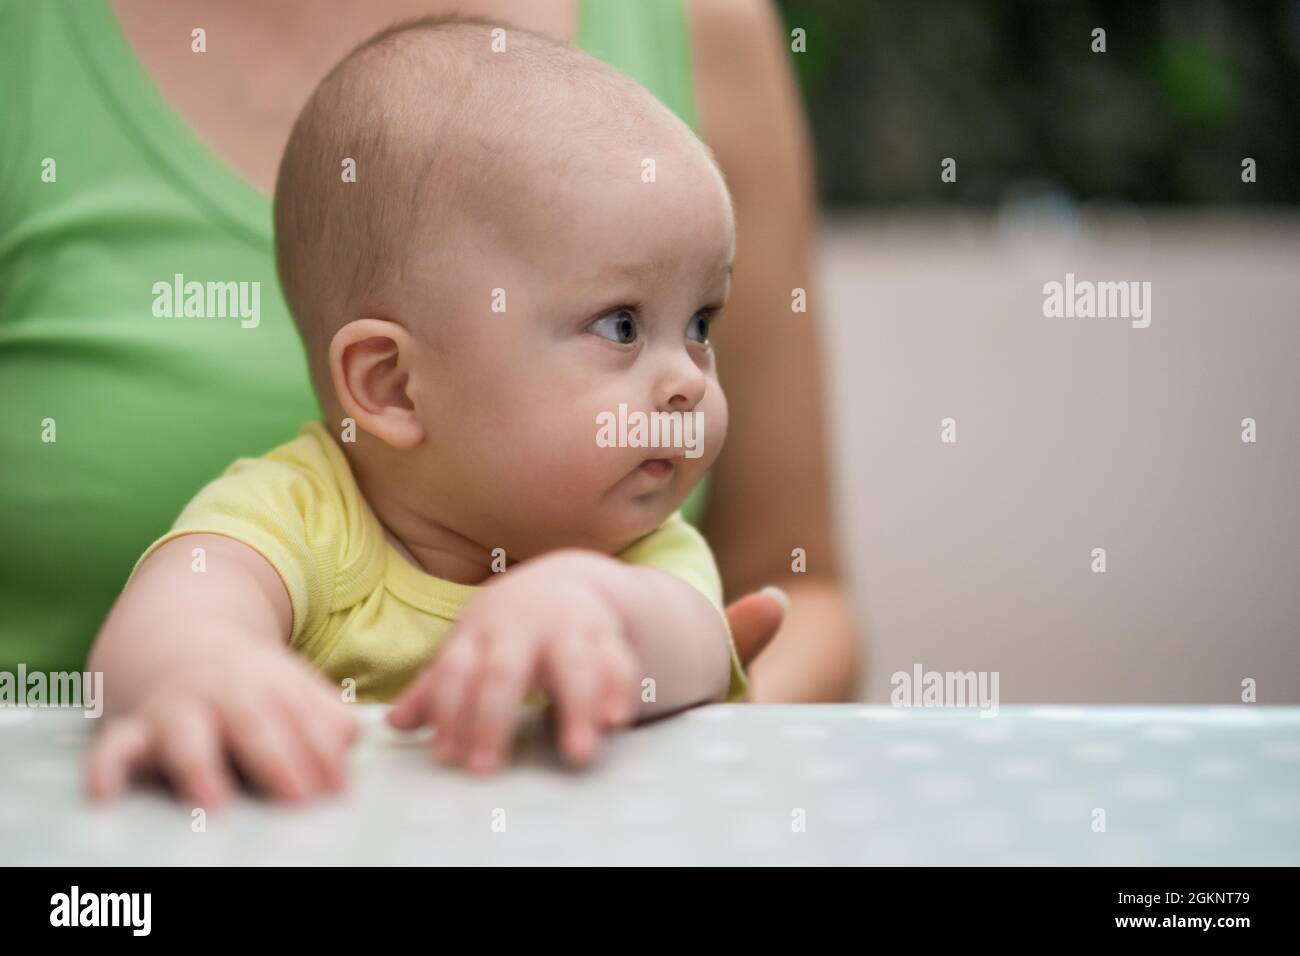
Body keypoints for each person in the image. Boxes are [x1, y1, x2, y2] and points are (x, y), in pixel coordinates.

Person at [0, 0, 858, 703]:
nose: (686, 383)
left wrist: (599, 617)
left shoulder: (639, 555)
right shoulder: (305, 514)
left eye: (701, 323)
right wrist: (200, 673)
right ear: (393, 386)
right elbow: (174, 614)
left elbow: (688, 649)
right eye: (622, 327)